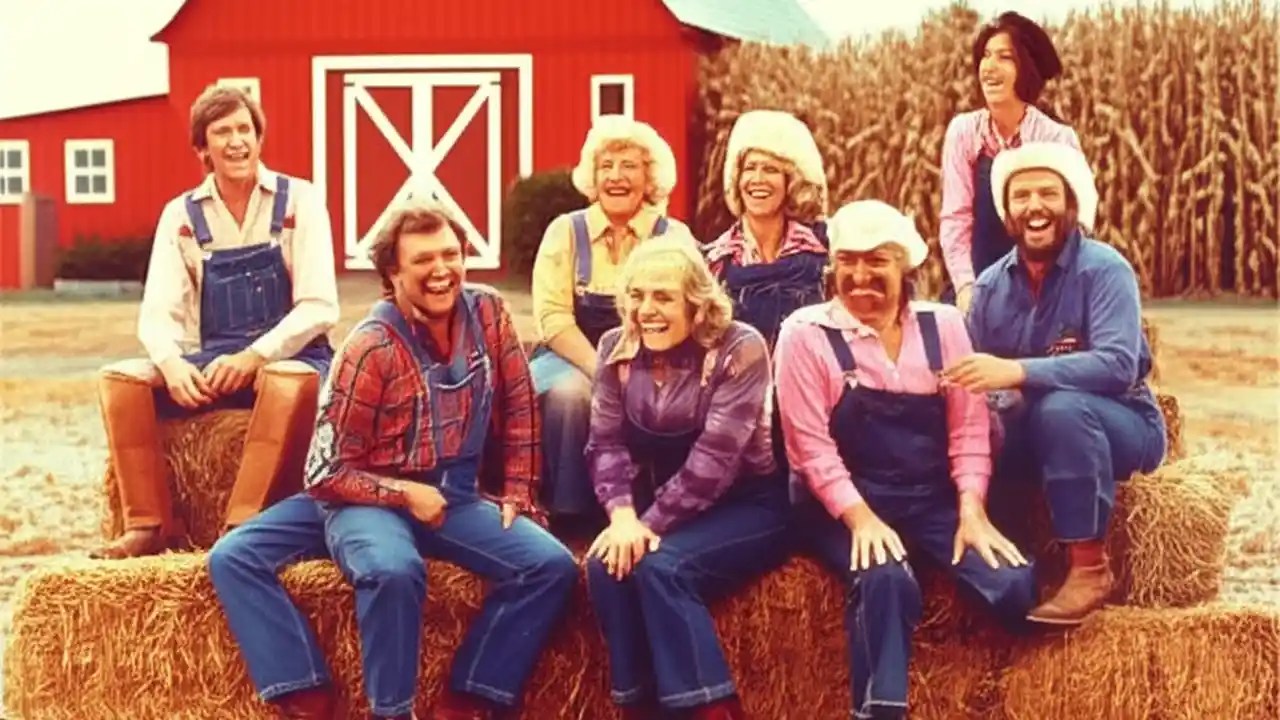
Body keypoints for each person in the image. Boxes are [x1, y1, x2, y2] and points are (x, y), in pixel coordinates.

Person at [207, 199, 577, 720]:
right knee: (378, 568)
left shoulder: (488, 310)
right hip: (364, 499)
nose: (442, 270)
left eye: (451, 254)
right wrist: (403, 493)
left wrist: (518, 489)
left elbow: (518, 401)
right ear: (392, 274)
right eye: (423, 260)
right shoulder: (370, 347)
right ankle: (350, 700)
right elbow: (324, 471)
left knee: (551, 565)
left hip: (455, 495)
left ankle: (472, 695)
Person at [775, 200, 1036, 720]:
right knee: (885, 579)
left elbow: (968, 429)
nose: (860, 276)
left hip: (928, 497)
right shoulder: (805, 334)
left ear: (905, 268)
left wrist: (971, 511)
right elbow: (810, 449)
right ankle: (879, 710)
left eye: (878, 262)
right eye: (848, 261)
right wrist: (862, 521)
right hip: (841, 501)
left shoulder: (943, 328)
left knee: (1014, 584)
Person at [92, 84, 338, 559]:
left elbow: (319, 305)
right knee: (120, 379)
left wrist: (254, 356)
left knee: (284, 381)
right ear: (202, 148)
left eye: (244, 129)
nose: (236, 141)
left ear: (259, 137)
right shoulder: (180, 215)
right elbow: (158, 311)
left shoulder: (299, 201)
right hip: (216, 360)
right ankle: (147, 525)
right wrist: (171, 363)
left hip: (295, 360)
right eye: (221, 132)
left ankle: (241, 528)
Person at [944, 141, 1167, 625]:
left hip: (1124, 423)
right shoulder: (988, 288)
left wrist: (1019, 371)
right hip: (1032, 428)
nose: (1034, 206)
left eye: (1048, 193)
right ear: (1008, 213)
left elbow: (1116, 365)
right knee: (979, 424)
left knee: (1060, 408)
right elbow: (977, 383)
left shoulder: (1105, 270)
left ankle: (1089, 568)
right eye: (1021, 196)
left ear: (1071, 205)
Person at [584, 238, 788, 720]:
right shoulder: (616, 346)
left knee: (662, 568)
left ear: (696, 303)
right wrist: (622, 517)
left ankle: (714, 710)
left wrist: (647, 526)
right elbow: (603, 443)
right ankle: (636, 707)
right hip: (660, 501)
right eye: (636, 295)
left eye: (663, 297)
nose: (645, 310)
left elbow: (715, 462)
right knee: (604, 566)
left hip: (750, 502)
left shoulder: (740, 346)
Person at [528, 116, 697, 531]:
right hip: (570, 355)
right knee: (570, 396)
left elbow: (691, 313)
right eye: (607, 166)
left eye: (629, 165)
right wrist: (603, 371)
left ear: (650, 176)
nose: (616, 177)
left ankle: (649, 508)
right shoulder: (564, 231)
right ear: (593, 174)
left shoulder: (672, 235)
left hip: (653, 354)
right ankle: (570, 516)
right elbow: (553, 318)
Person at [940, 11, 1080, 313]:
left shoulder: (1056, 137)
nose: (989, 67)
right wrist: (966, 289)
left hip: (1044, 290)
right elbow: (955, 219)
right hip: (977, 282)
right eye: (985, 56)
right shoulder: (964, 133)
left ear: (1026, 69)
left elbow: (1073, 225)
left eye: (1005, 57)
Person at [702, 109, 829, 350]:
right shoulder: (714, 262)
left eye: (770, 169)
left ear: (791, 182)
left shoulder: (824, 252)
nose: (757, 179)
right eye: (750, 168)